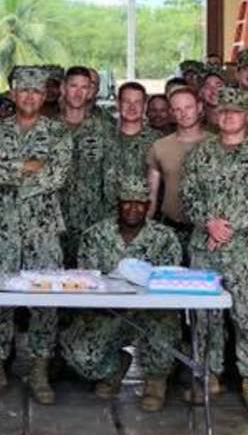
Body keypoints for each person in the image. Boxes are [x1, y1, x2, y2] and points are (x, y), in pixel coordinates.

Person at [0, 67, 72, 405]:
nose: (29, 97)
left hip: (43, 231)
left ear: (45, 97)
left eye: (36, 92)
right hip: (4, 230)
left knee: (45, 302)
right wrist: (28, 165)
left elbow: (55, 177)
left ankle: (39, 370)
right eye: (22, 91)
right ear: (12, 94)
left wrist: (10, 168)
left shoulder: (58, 133)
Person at [59, 176, 182, 411]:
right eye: (127, 202)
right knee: (81, 357)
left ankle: (156, 381)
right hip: (109, 313)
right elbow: (88, 280)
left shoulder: (165, 238)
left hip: (151, 314)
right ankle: (115, 367)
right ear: (117, 204)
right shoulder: (95, 235)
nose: (133, 209)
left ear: (148, 206)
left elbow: (167, 284)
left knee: (164, 332)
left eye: (139, 203)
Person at [181, 87, 248, 408]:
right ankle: (209, 374)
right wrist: (209, 222)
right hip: (206, 246)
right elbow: (188, 195)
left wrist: (226, 227)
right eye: (223, 111)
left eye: (236, 111)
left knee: (247, 315)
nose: (229, 116)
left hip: (245, 247)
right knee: (205, 316)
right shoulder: (201, 153)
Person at [57, 65, 113, 266]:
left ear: (91, 92)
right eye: (73, 86)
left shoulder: (105, 130)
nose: (78, 92)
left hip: (92, 222)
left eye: (84, 87)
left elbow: (111, 179)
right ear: (63, 88)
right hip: (54, 221)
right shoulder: (47, 129)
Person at [145, 87, 212, 240]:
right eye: (177, 109)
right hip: (170, 229)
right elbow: (151, 195)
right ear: (171, 113)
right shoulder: (160, 146)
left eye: (188, 107)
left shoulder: (216, 144)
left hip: (207, 232)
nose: (184, 114)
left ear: (199, 108)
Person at [105, 82, 160, 200]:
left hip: (143, 213)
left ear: (145, 106)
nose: (132, 107)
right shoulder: (103, 138)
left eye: (137, 102)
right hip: (105, 214)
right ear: (118, 104)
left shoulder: (158, 142)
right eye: (127, 101)